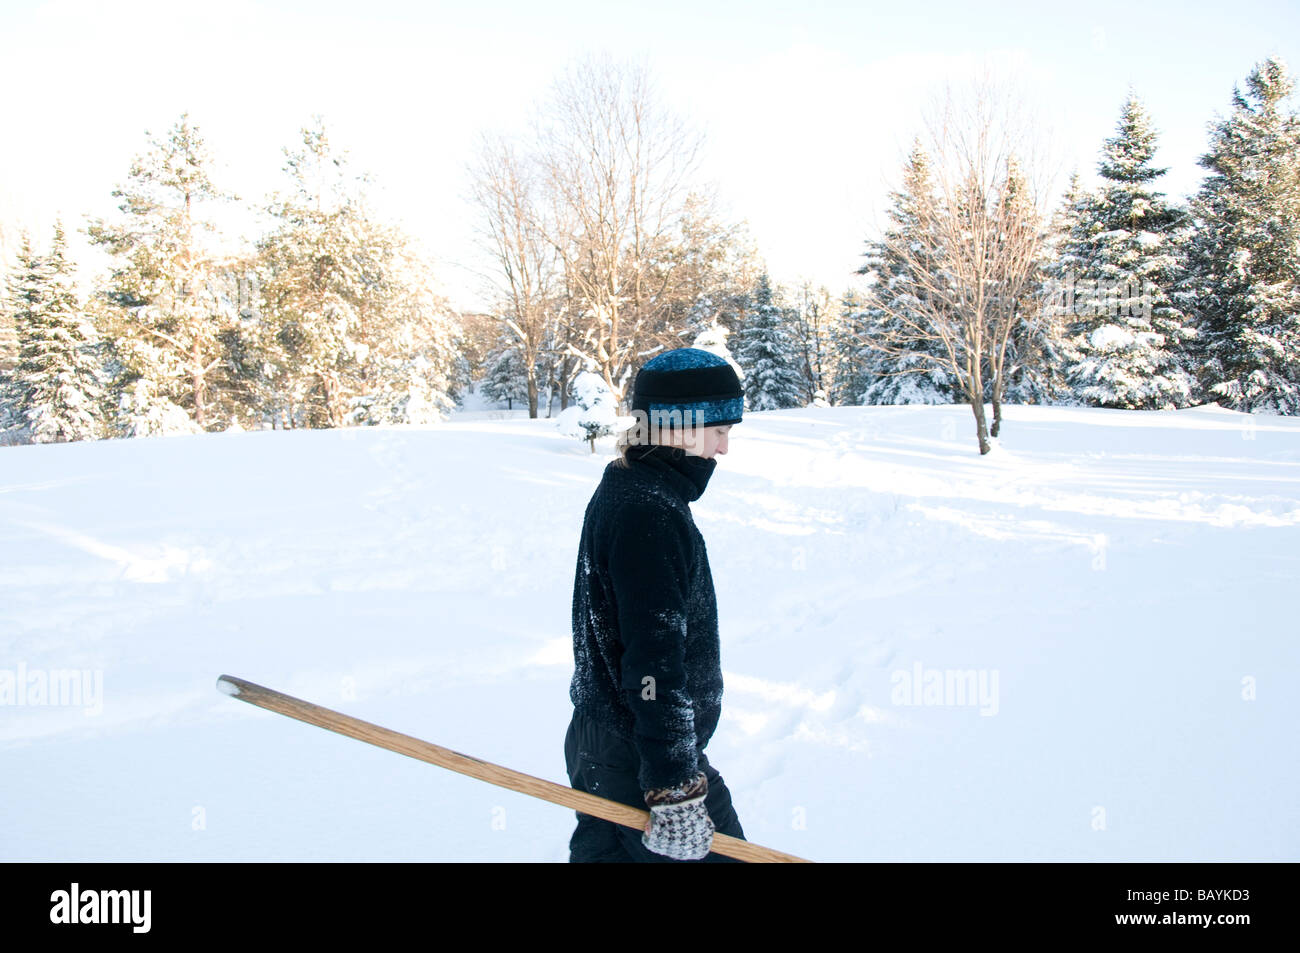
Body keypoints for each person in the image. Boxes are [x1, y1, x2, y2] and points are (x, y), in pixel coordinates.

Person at [564, 347, 747, 862]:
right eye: (719, 430)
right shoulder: (649, 513)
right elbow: (653, 665)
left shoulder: (627, 486)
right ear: (678, 426)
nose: (724, 448)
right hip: (643, 757)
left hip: (604, 741)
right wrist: (674, 787)